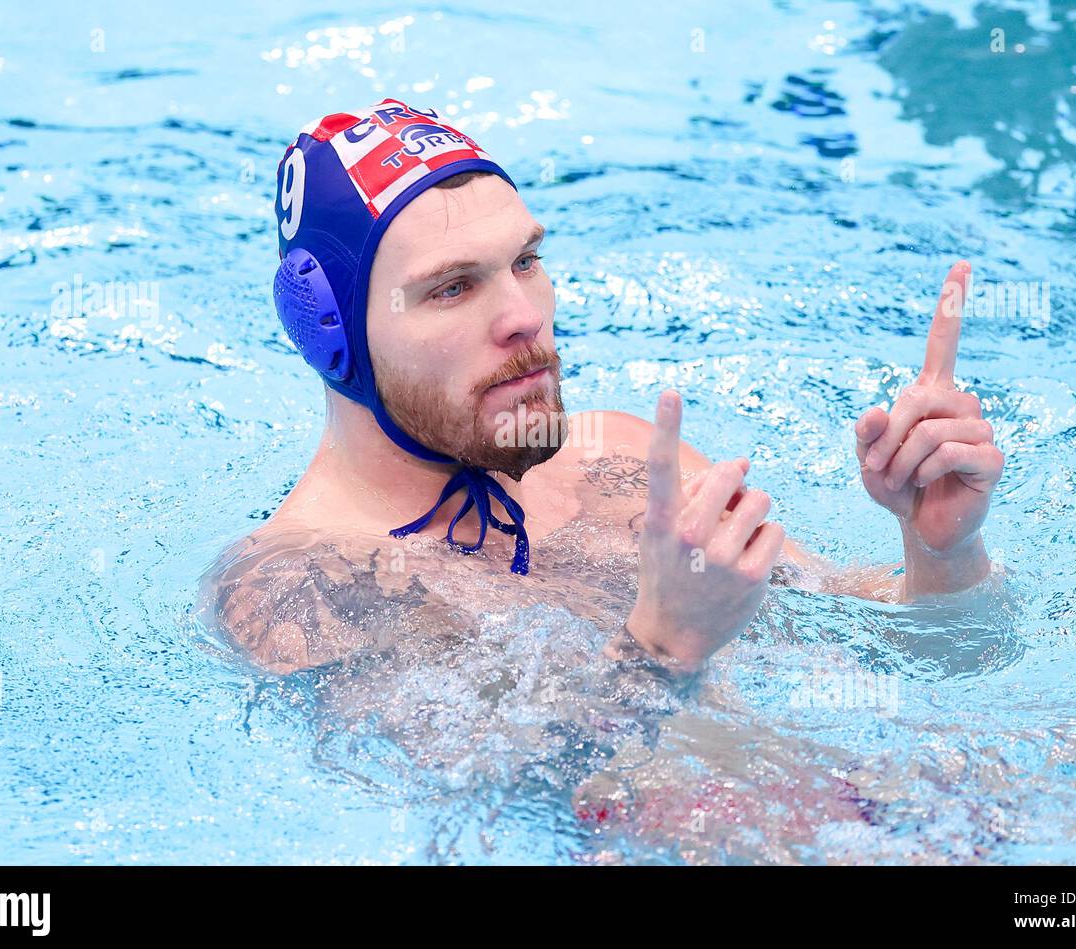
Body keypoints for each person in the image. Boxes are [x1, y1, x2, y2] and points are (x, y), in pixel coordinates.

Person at [200, 98, 1006, 677]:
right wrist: (663, 651)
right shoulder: (296, 587)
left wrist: (941, 548)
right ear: (329, 332)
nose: (525, 317)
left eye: (525, 262)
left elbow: (931, 657)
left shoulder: (617, 457)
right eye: (452, 288)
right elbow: (517, 795)